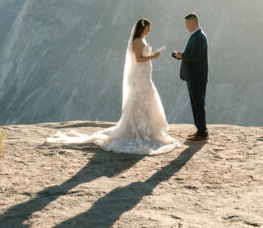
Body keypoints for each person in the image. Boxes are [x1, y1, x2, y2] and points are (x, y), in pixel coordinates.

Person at [47, 18, 181, 155]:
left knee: (146, 97)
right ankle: (141, 129)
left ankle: (147, 128)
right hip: (141, 75)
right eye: (148, 28)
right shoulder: (137, 42)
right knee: (141, 97)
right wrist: (153, 56)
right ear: (142, 28)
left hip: (145, 75)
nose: (150, 30)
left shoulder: (142, 40)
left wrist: (152, 56)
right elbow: (139, 59)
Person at [172, 12, 208, 142]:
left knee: (198, 103)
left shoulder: (199, 36)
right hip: (193, 76)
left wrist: (182, 55)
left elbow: (196, 56)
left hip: (197, 76)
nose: (186, 26)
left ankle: (202, 133)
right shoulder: (196, 35)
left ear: (193, 22)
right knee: (196, 104)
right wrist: (181, 55)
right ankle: (199, 130)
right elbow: (192, 54)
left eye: (187, 23)